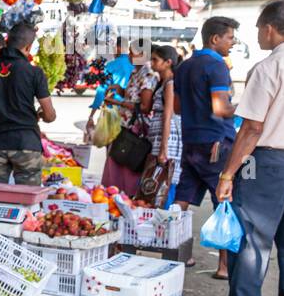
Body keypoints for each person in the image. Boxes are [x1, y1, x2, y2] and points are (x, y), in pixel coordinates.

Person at [204, 0, 284, 296]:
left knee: (252, 247)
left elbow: (252, 127)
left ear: (270, 28)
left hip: (269, 164)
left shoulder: (269, 67)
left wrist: (228, 173)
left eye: (259, 28)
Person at [174, 16, 239, 280]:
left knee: (182, 200)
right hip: (215, 143)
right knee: (223, 202)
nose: (232, 43)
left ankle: (177, 257)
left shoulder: (184, 66)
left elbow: (177, 108)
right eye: (230, 38)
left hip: (190, 141)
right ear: (215, 38)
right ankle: (224, 267)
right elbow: (221, 108)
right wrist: (245, 109)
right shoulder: (217, 65)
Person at [0, 21, 56, 184]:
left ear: (6, 41)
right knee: (28, 200)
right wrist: (40, 114)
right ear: (28, 48)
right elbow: (50, 116)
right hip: (26, 144)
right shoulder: (34, 73)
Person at [99, 41, 158, 197]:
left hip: (135, 131)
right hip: (124, 125)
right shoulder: (135, 72)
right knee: (115, 165)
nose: (130, 56)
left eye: (134, 53)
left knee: (127, 166)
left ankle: (127, 199)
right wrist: (120, 90)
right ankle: (115, 198)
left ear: (144, 55)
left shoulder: (148, 75)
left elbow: (145, 107)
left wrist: (118, 102)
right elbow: (133, 95)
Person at [148, 45, 182, 205]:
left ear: (168, 62)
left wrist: (163, 149)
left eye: (155, 59)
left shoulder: (170, 83)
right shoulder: (162, 82)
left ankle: (165, 218)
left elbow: (168, 115)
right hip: (160, 138)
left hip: (168, 139)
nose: (152, 62)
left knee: (165, 181)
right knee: (158, 179)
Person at [85, 36, 134, 138]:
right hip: (130, 110)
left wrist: (91, 116)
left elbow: (102, 89)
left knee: (112, 144)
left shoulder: (111, 65)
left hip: (113, 108)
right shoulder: (135, 65)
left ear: (119, 48)